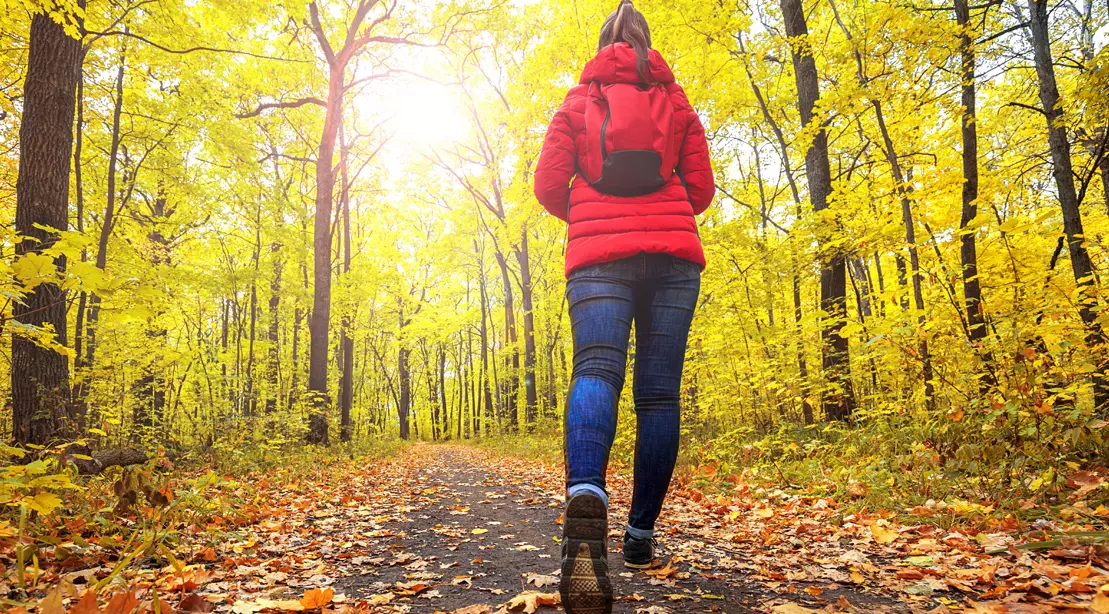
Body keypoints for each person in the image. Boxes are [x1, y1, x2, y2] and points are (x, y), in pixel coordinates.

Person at [533, 1, 715, 612]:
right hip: (673, 254)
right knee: (659, 394)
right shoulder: (678, 101)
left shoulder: (577, 102)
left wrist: (587, 218)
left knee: (596, 372)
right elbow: (703, 190)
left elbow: (546, 185)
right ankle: (639, 539)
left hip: (596, 256)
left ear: (602, 45)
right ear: (646, 45)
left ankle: (586, 496)